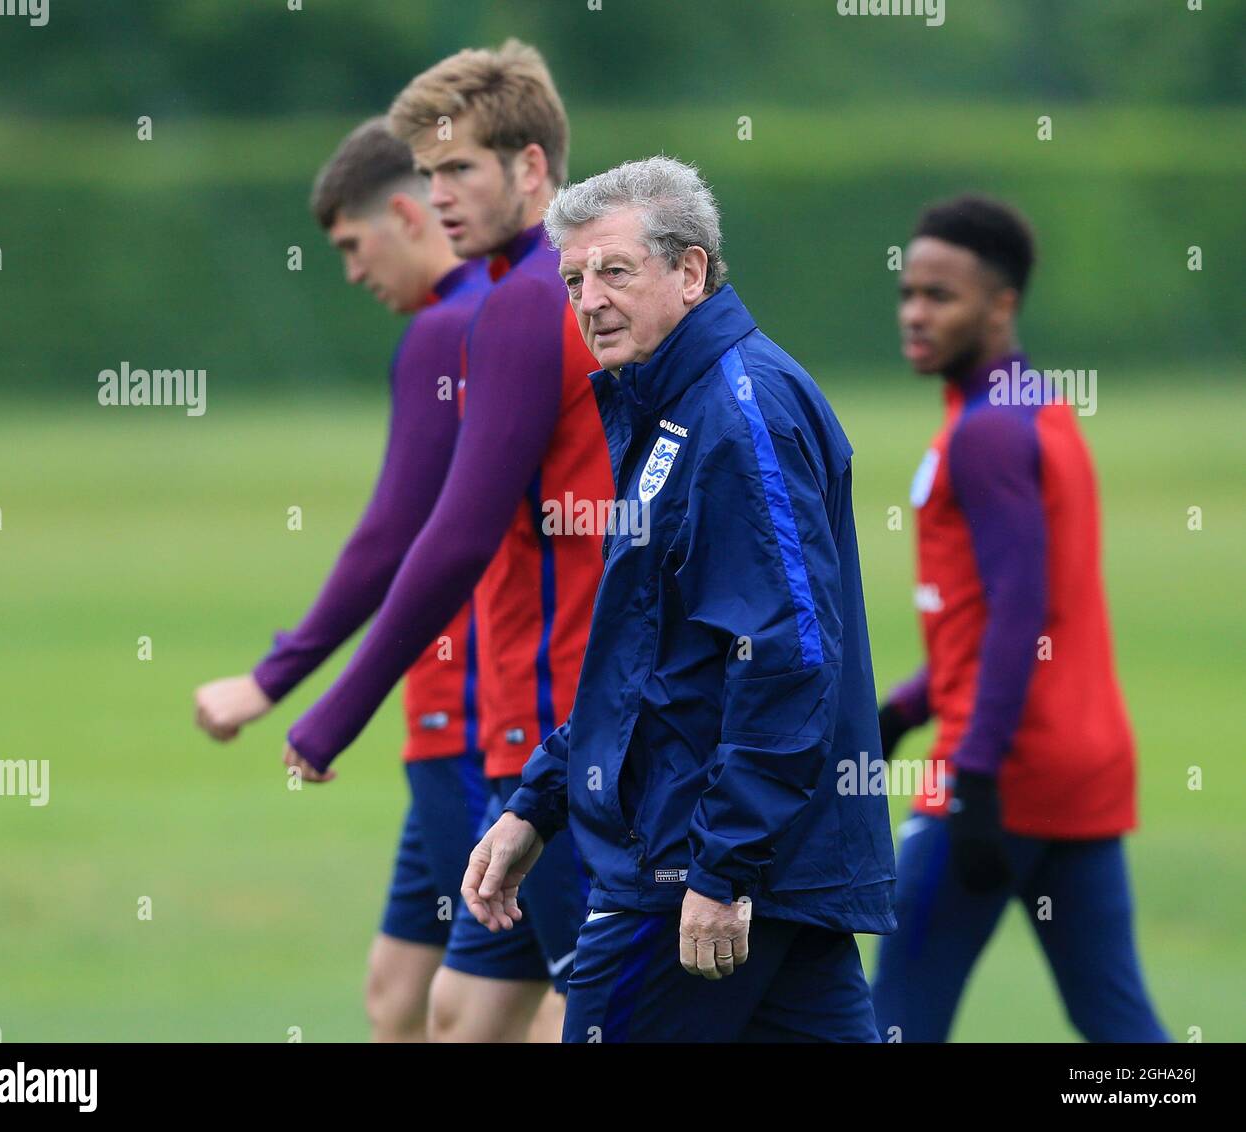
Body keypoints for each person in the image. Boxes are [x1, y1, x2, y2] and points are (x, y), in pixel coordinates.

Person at [466, 156, 897, 1043]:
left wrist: (723, 867)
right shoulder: (673, 406)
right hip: (746, 868)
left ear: (690, 271)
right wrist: (539, 800)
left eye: (616, 272)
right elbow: (648, 659)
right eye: (575, 279)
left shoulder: (738, 414)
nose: (589, 301)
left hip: (690, 873)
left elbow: (787, 655)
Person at [283, 41, 613, 1043]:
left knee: (602, 1017)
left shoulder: (524, 302)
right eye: (427, 175)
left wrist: (331, 710)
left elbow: (455, 534)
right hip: (567, 723)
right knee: (459, 1015)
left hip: (560, 730)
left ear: (530, 168)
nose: (437, 197)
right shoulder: (589, 281)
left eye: (459, 169)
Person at [192, 117, 489, 1042]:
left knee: (494, 1006)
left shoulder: (454, 326)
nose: (353, 273)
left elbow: (392, 537)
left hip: (477, 708)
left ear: (407, 214)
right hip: (471, 704)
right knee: (399, 998)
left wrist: (271, 678)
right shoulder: (518, 303)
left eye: (353, 247)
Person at [871, 194, 1168, 1042]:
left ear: (1001, 305)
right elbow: (1007, 607)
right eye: (908, 293)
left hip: (1002, 770)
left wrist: (972, 775)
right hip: (1084, 767)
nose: (915, 315)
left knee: (893, 1018)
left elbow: (1019, 611)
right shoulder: (1035, 408)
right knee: (1118, 1023)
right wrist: (905, 706)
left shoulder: (986, 434)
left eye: (941, 297)